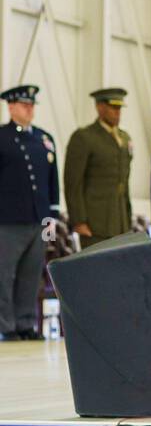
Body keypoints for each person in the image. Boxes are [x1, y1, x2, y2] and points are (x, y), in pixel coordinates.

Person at [0, 85, 59, 341]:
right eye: (24, 104)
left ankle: (26, 323)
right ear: (11, 107)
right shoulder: (2, 137)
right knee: (5, 274)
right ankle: (6, 325)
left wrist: (52, 216)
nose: (29, 109)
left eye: (32, 104)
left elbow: (51, 181)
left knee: (31, 274)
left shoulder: (44, 139)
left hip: (39, 218)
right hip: (8, 219)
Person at [64, 88, 133, 249]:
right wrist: (79, 220)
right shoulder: (84, 137)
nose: (118, 112)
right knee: (96, 271)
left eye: (119, 108)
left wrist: (127, 218)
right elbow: (73, 182)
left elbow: (124, 181)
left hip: (120, 220)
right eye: (113, 108)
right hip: (95, 222)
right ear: (100, 107)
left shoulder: (124, 138)